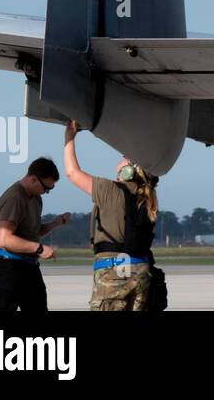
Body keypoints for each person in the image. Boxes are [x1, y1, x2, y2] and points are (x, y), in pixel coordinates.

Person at [63, 121, 160, 310]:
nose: (122, 157)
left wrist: (69, 138)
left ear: (129, 171)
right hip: (141, 272)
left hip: (113, 272)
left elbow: (72, 173)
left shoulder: (109, 190)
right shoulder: (148, 198)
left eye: (126, 158)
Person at [0, 157, 71, 311]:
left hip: (28, 266)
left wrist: (56, 222)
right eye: (46, 187)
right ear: (34, 179)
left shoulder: (36, 198)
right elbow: (4, 239)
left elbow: (34, 232)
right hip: (8, 268)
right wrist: (39, 249)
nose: (47, 192)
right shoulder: (15, 198)